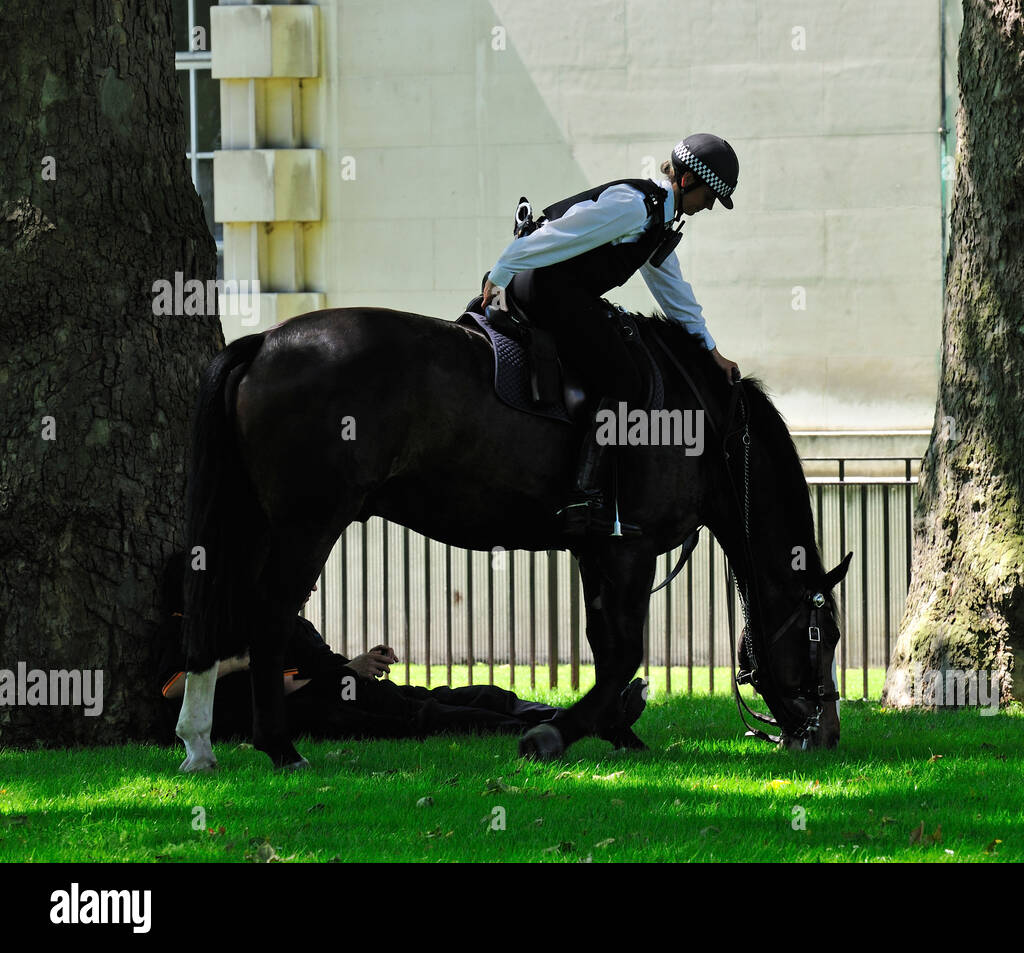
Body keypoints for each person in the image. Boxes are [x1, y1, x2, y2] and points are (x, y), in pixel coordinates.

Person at [478, 133, 741, 535]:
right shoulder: (633, 208)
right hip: (545, 289)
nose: (708, 206)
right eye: (710, 196)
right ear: (687, 181)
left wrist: (711, 351)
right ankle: (585, 491)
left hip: (562, 291)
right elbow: (556, 236)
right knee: (625, 377)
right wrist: (500, 275)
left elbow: (673, 292)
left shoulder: (657, 220)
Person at [156, 555, 646, 742]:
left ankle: (578, 715)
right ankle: (559, 728)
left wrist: (355, 665)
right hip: (322, 707)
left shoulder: (271, 620)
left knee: (464, 694)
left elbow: (309, 668)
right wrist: (245, 662)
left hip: (336, 688)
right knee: (426, 716)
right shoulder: (193, 637)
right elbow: (177, 689)